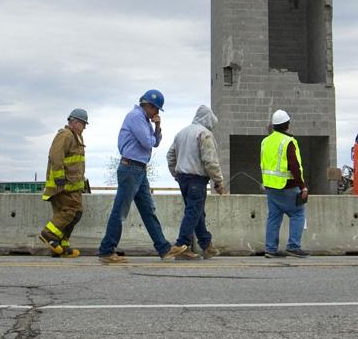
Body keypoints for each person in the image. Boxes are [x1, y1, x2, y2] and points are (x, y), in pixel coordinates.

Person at [97, 89, 190, 264]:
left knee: (148, 211)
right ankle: (106, 251)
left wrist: (157, 127)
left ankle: (164, 249)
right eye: (155, 110)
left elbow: (156, 141)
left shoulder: (145, 120)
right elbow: (148, 142)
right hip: (130, 168)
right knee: (120, 212)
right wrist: (152, 135)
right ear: (148, 105)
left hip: (139, 169)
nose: (156, 113)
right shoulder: (136, 117)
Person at [166, 104, 227, 259]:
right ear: (208, 120)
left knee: (197, 212)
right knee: (193, 212)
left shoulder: (181, 133)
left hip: (182, 178)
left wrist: (176, 174)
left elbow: (170, 156)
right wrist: (219, 182)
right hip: (197, 179)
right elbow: (210, 161)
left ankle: (207, 245)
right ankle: (182, 246)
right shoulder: (204, 134)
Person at [38, 108, 90, 258]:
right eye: (82, 123)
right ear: (74, 122)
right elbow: (56, 156)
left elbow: (76, 164)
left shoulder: (77, 137)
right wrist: (60, 178)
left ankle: (61, 244)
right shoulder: (65, 135)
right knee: (70, 211)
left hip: (73, 186)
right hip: (63, 186)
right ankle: (48, 235)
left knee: (76, 214)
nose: (84, 127)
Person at [260, 108, 309, 258]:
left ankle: (271, 249)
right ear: (287, 124)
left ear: (274, 125)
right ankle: (293, 246)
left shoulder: (265, 141)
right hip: (287, 186)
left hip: (270, 186)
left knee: (274, 216)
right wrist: (303, 186)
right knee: (298, 213)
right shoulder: (289, 141)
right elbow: (294, 166)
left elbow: (263, 163)